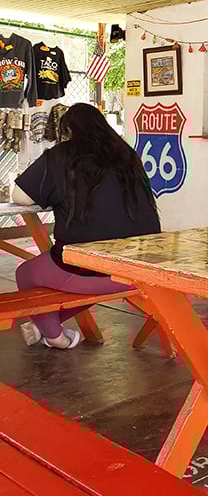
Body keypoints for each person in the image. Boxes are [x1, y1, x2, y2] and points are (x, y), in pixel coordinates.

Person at [12, 103, 160, 349]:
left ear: (69, 130)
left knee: (26, 274)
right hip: (140, 268)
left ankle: (55, 336)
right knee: (85, 276)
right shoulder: (127, 156)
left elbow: (21, 196)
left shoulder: (62, 155)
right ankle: (43, 326)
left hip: (89, 268)